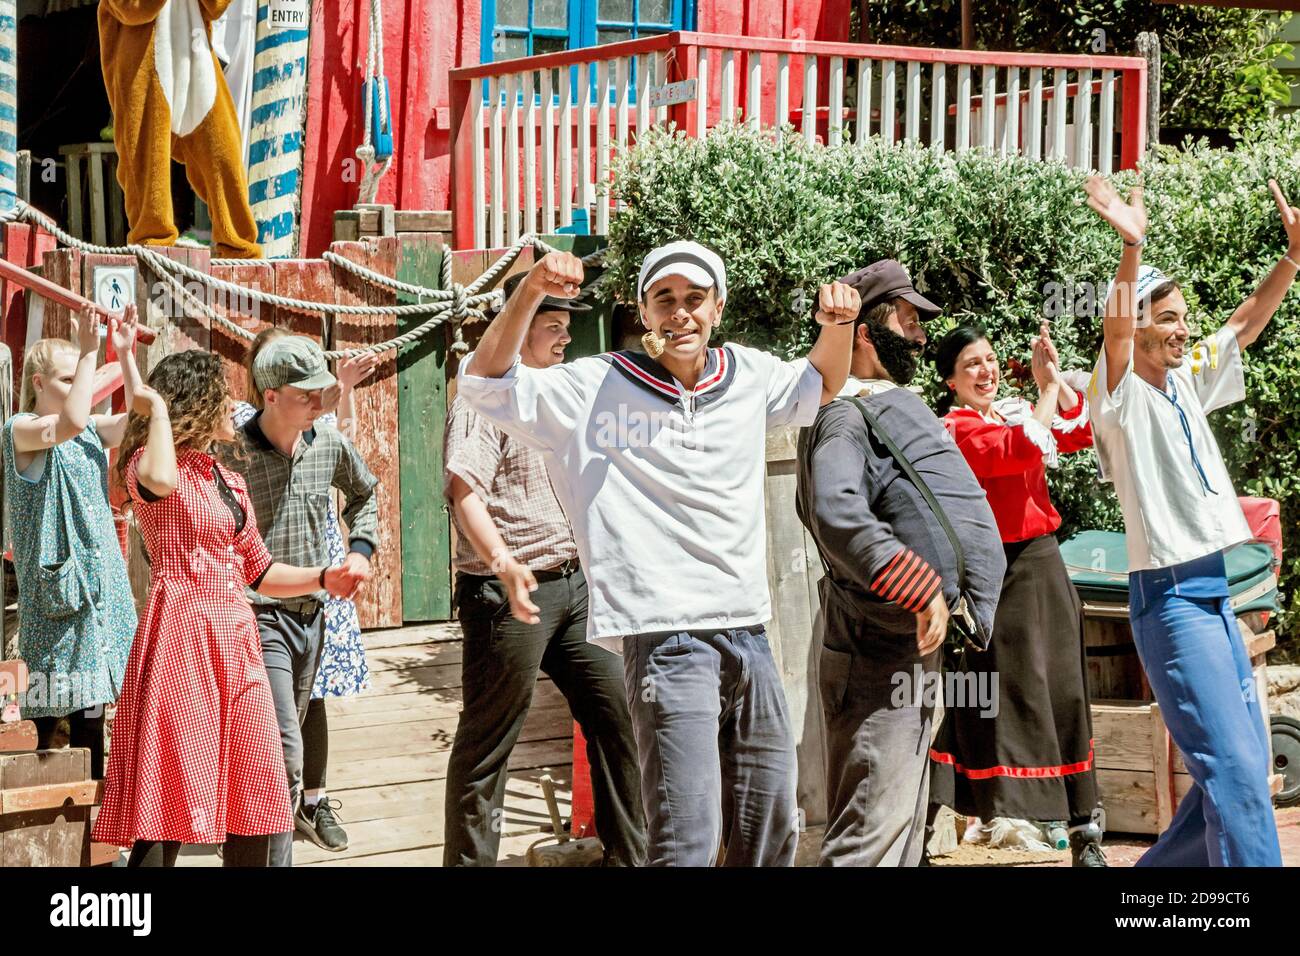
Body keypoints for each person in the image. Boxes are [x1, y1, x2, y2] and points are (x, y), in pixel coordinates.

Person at [456, 241, 859, 866]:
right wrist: (531, 291)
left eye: (694, 299)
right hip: (665, 641)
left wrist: (839, 325)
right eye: (664, 299)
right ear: (643, 311)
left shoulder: (748, 375)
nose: (680, 314)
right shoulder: (593, 387)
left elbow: (821, 381)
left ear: (717, 307)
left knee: (770, 829)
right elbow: (484, 382)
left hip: (749, 633)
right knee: (686, 840)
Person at [1082, 174, 1300, 866]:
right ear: (1139, 325)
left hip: (1214, 593)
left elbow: (1242, 322)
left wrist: (1292, 260)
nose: (1183, 328)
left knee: (1233, 776)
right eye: (1168, 317)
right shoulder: (1117, 394)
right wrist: (1130, 244)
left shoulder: (1184, 378)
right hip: (1171, 601)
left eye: (1182, 316)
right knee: (1235, 776)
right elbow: (1115, 327)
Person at [91, 348, 356, 867]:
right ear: (197, 405)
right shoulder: (152, 469)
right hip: (182, 640)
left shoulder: (226, 479)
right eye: (221, 395)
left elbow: (260, 572)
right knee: (170, 794)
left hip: (236, 641)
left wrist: (325, 577)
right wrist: (158, 410)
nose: (234, 404)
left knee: (256, 785)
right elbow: (160, 477)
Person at [794, 260, 1006, 866]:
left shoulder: (887, 400)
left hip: (912, 647)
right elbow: (835, 513)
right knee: (871, 830)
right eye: (907, 319)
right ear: (863, 331)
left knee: (900, 827)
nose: (919, 334)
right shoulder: (840, 414)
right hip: (877, 649)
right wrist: (918, 587)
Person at [442, 272, 646, 867]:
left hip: (574, 586)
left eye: (566, 327)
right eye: (552, 326)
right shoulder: (484, 397)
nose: (565, 338)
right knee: (488, 744)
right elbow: (463, 492)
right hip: (506, 594)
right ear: (516, 331)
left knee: (620, 716)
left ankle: (630, 860)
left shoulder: (556, 390)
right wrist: (504, 564)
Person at [927, 321, 1105, 867]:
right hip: (994, 576)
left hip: (1043, 564)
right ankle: (931, 821)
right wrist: (1046, 392)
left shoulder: (1008, 412)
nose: (985, 371)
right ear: (951, 382)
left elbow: (1077, 433)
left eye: (989, 360)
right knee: (988, 697)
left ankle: (1085, 831)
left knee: (1065, 692)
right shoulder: (953, 430)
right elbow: (1020, 452)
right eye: (970, 366)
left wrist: (1055, 381)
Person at [224, 334, 380, 867]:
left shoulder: (327, 444)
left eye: (321, 392)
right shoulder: (232, 455)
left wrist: (360, 550)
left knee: (275, 753)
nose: (319, 404)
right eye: (306, 394)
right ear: (269, 395)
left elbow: (365, 494)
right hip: (255, 617)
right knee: (282, 754)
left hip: (314, 619)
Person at [3, 305, 141, 779]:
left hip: (98, 599)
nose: (74, 386)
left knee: (92, 719)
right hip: (56, 605)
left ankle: (92, 841)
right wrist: (87, 351)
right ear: (38, 383)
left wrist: (123, 356)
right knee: (45, 726)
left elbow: (134, 421)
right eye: (65, 378)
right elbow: (73, 421)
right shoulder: (20, 431)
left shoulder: (86, 432)